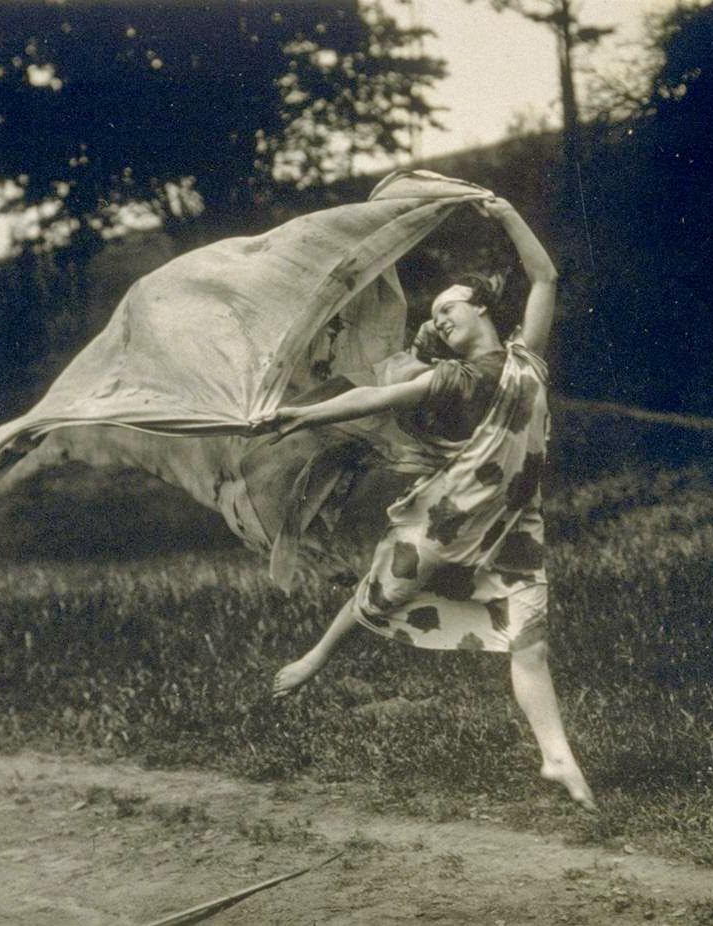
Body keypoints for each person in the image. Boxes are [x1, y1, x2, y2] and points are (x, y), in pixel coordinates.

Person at [252, 197, 596, 808]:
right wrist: (299, 415)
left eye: (448, 308)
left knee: (531, 642)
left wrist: (506, 214)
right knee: (380, 593)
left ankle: (557, 758)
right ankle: (313, 660)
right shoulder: (452, 378)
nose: (438, 318)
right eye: (434, 316)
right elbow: (372, 399)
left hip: (516, 525)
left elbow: (544, 276)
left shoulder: (526, 359)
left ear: (481, 307)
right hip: (449, 517)